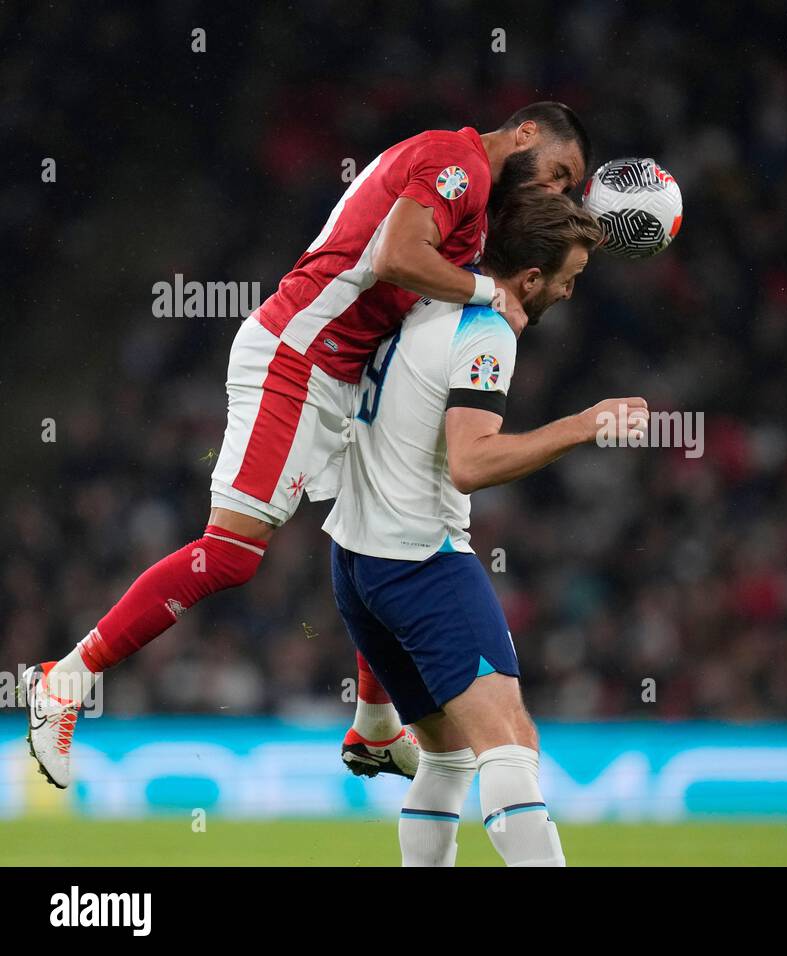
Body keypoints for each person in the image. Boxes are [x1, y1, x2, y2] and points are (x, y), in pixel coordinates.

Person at [20, 103, 592, 789]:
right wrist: (488, 293)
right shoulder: (458, 164)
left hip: (342, 373)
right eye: (560, 173)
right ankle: (66, 679)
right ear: (526, 133)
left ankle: (376, 728)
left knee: (382, 532)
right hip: (298, 359)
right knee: (230, 554)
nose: (557, 190)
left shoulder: (472, 190)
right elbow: (395, 256)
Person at [325, 190, 647, 866]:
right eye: (571, 275)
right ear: (530, 279)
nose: (570, 288)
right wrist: (584, 425)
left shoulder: (427, 290)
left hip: (354, 560)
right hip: (419, 561)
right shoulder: (488, 329)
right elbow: (471, 463)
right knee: (510, 744)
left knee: (446, 758)